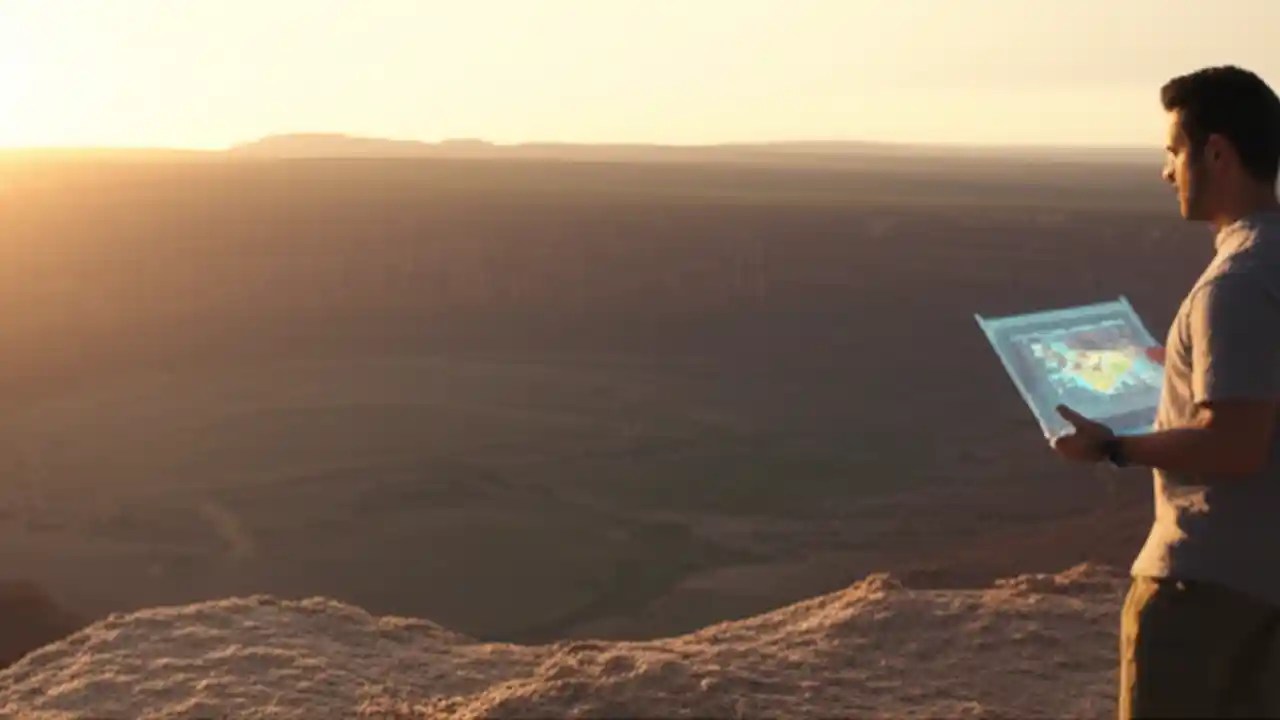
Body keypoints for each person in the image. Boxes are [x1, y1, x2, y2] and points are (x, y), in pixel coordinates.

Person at [1051, 65, 1280, 718]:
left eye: (1174, 151)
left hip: (1204, 584)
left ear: (1217, 154)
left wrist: (1114, 446)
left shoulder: (1233, 283)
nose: (1165, 171)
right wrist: (1173, 365)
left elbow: (1235, 446)